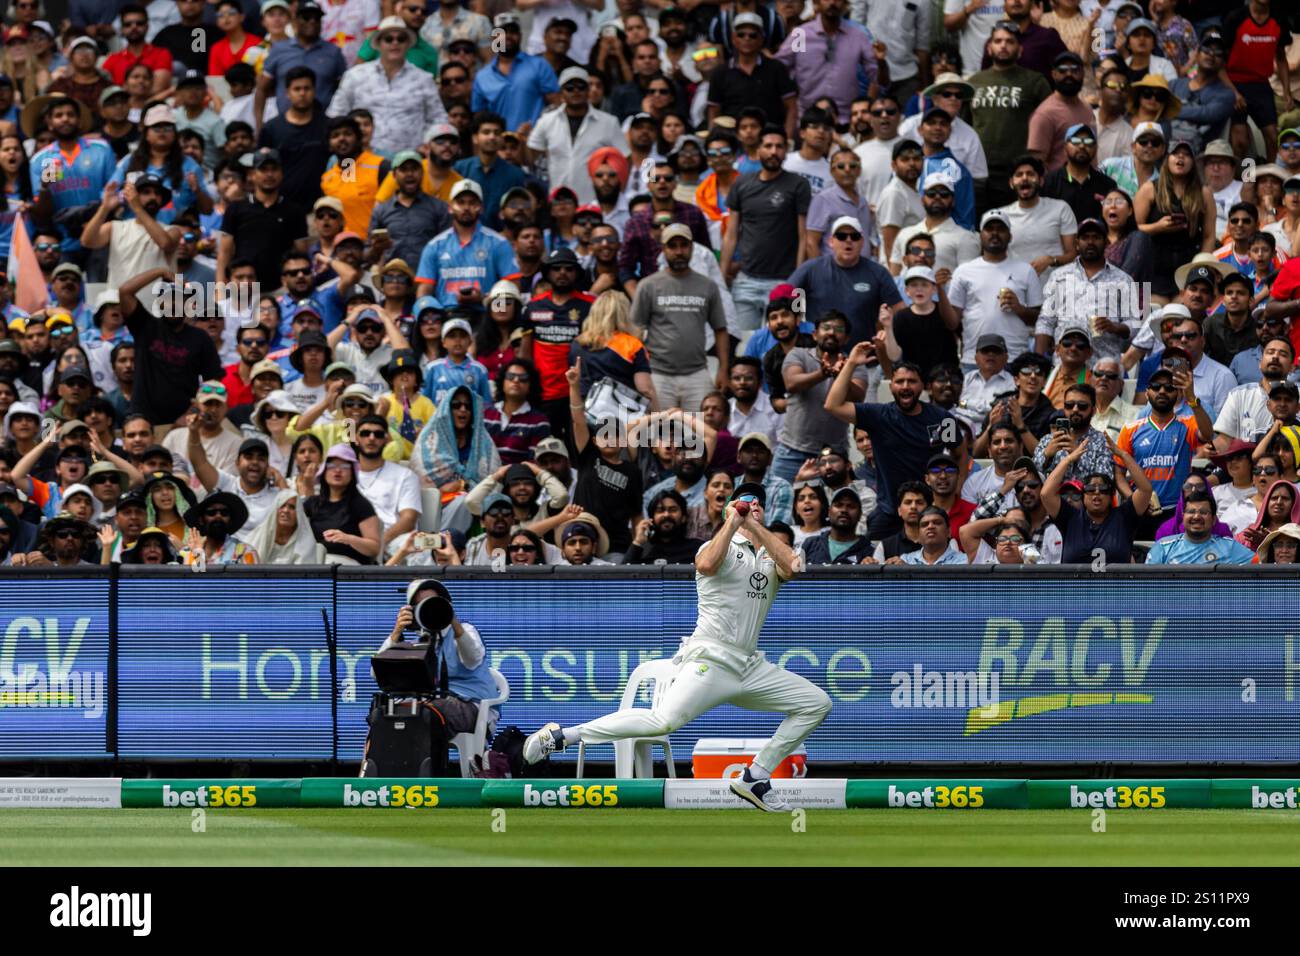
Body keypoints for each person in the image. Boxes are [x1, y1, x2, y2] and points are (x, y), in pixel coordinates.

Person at [523, 481, 830, 812]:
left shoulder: (770, 555)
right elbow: (707, 566)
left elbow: (795, 568)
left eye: (757, 502)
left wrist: (754, 523)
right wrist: (734, 522)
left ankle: (755, 776)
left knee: (816, 703)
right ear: (730, 509)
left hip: (750, 666)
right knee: (663, 722)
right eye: (744, 501)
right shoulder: (717, 545)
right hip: (710, 660)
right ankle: (562, 736)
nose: (751, 505)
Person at [826, 349, 957, 537]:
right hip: (888, 511)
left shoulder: (943, 418)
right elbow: (832, 405)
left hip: (929, 511)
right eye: (899, 381)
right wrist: (852, 363)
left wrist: (955, 491)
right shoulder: (877, 416)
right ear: (891, 386)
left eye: (912, 381)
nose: (905, 386)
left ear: (923, 386)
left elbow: (959, 454)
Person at [373, 578, 497, 763]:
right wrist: (396, 632)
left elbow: (472, 659)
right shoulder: (415, 642)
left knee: (425, 714)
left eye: (434, 602)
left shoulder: (465, 631)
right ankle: (383, 775)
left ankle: (428, 775)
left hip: (471, 706)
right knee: (383, 712)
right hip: (429, 705)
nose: (430, 608)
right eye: (422, 605)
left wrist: (453, 622)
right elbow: (378, 674)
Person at [721, 124, 811, 332]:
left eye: (779, 146)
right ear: (758, 150)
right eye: (768, 146)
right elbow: (731, 235)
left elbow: (803, 236)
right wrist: (722, 275)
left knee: (782, 346)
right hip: (746, 280)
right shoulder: (741, 184)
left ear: (785, 151)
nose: (773, 151)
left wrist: (796, 282)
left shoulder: (798, 185)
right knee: (744, 344)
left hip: (783, 280)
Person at [788, 215, 902, 351]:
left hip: (864, 358)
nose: (848, 241)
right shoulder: (810, 269)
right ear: (831, 241)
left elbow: (899, 309)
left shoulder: (878, 272)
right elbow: (783, 297)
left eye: (854, 237)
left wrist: (887, 330)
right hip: (818, 358)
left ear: (862, 242)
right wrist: (799, 321)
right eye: (841, 236)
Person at [947, 209, 1044, 368]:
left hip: (1014, 359)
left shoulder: (1026, 270)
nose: (994, 233)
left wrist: (1019, 308)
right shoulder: (963, 271)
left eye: (1000, 229)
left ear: (1010, 236)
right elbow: (953, 321)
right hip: (974, 360)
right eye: (989, 229)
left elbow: (1040, 319)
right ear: (980, 236)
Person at [1041, 434, 1151, 565]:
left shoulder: (1124, 517)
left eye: (1103, 489)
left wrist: (1123, 455)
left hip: (1116, 585)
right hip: (1075, 585)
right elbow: (1046, 494)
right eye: (1090, 489)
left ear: (1111, 496)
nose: (1097, 493)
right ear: (1083, 496)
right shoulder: (1070, 519)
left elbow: (1145, 490)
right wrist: (1068, 459)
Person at [299, 441, 381, 564]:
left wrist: (347, 539)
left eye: (344, 466)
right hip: (315, 564)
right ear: (324, 471)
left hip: (348, 569)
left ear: (352, 472)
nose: (337, 470)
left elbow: (374, 548)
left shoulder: (361, 505)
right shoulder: (312, 503)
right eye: (332, 466)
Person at [1144, 490, 1256, 564]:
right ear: (1183, 517)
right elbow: (1146, 584)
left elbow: (1260, 565)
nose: (1196, 516)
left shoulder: (1229, 546)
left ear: (1213, 519)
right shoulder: (1164, 547)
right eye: (1191, 511)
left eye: (1203, 512)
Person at [623, 488, 704, 564]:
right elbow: (621, 575)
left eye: (673, 510)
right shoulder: (642, 550)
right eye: (660, 510)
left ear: (683, 518)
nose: (666, 515)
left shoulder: (697, 548)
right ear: (651, 518)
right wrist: (637, 542)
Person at [802, 485, 872, 564]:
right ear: (829, 512)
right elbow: (794, 573)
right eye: (838, 505)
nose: (844, 510)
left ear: (860, 514)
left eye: (851, 506)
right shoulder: (810, 543)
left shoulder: (868, 551)